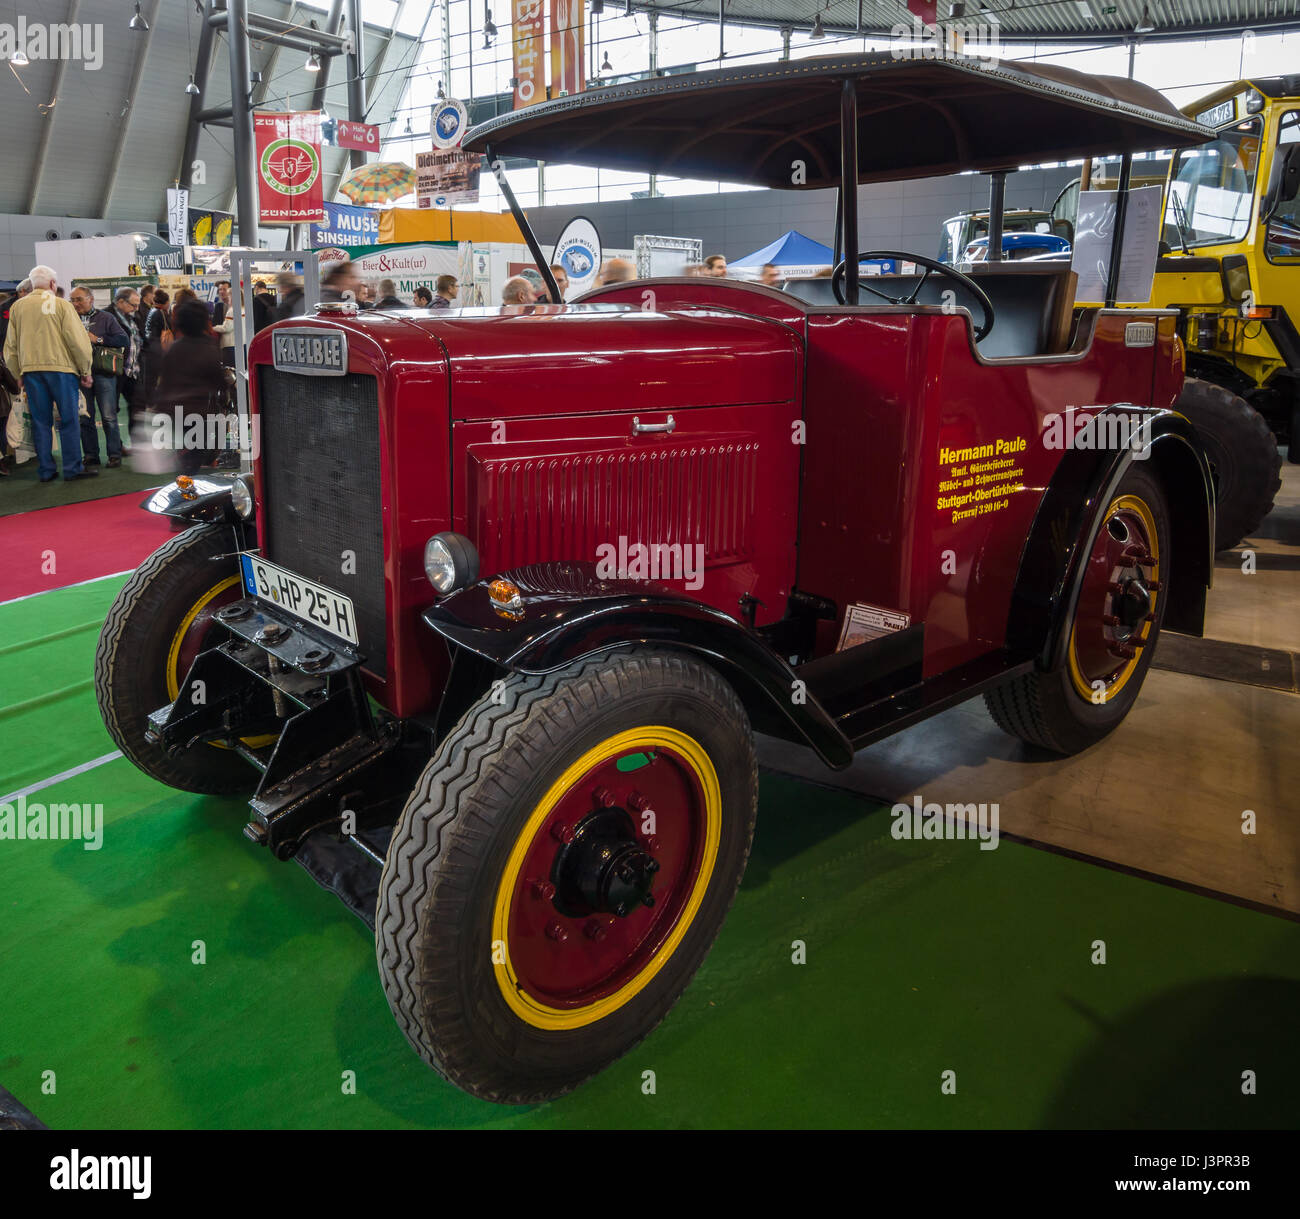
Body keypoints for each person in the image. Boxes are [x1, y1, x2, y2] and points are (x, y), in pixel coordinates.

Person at [2, 264, 95, 482]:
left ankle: (46, 470)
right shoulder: (62, 305)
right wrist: (85, 369)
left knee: (41, 421)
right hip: (61, 370)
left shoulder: (18, 307)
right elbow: (78, 342)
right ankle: (72, 468)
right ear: (53, 284)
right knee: (69, 420)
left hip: (31, 372)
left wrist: (18, 373)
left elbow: (11, 345)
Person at [152, 299, 228, 476]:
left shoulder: (174, 349)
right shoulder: (209, 348)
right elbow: (218, 382)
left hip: (174, 412)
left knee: (185, 457)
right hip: (198, 413)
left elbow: (164, 382)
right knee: (194, 459)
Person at [70, 286, 129, 468]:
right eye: (73, 300)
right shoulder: (69, 319)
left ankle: (114, 455)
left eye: (79, 299)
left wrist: (98, 340)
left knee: (109, 417)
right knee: (85, 417)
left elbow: (123, 340)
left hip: (103, 373)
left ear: (91, 299)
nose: (76, 303)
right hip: (79, 374)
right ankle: (90, 455)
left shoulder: (106, 317)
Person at [109, 286, 146, 437]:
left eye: (138, 305)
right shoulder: (107, 315)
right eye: (133, 305)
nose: (136, 308)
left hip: (133, 371)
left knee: (138, 407)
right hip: (114, 371)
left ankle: (137, 443)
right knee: (111, 412)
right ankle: (116, 450)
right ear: (120, 302)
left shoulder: (134, 316)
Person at [141, 287, 172, 404]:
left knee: (151, 378)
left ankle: (150, 401)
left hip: (150, 347)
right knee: (159, 377)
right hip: (159, 347)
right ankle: (156, 401)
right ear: (165, 303)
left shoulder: (151, 311)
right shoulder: (161, 313)